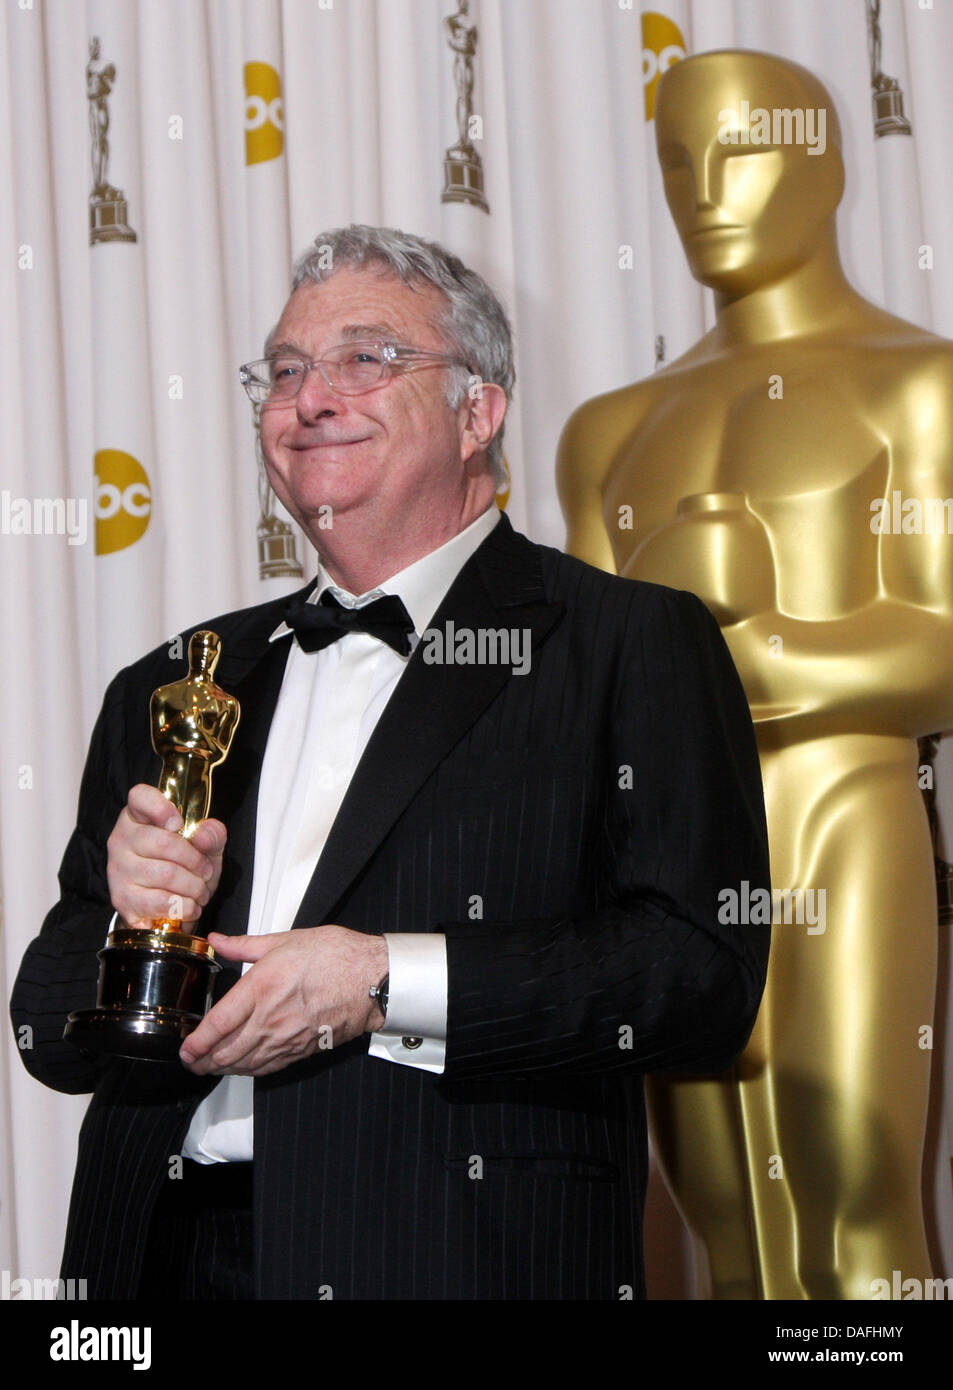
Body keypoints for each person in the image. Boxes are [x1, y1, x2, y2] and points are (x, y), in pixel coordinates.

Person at [11, 225, 770, 1301]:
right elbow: (49, 1023)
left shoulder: (623, 643)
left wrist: (382, 980)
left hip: (452, 1253)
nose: (308, 398)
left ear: (478, 412)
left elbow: (697, 978)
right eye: (283, 370)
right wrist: (140, 931)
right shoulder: (180, 679)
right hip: (152, 1262)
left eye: (365, 359)